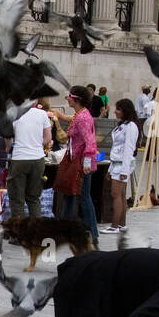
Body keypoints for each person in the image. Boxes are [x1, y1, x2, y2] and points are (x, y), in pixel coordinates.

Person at [53, 86, 99, 247]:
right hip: (75, 159)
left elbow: (90, 141)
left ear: (76, 99)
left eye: (69, 97)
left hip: (81, 162)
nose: (67, 99)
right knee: (69, 195)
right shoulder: (80, 115)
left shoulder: (83, 118)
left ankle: (93, 233)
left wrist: (86, 163)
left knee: (83, 197)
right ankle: (65, 231)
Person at [6, 102, 52, 219]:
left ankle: (19, 233)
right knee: (34, 198)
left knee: (17, 199)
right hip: (38, 159)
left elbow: (8, 137)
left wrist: (8, 148)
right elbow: (48, 138)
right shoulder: (42, 114)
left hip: (19, 159)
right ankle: (35, 233)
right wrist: (35, 144)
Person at [106, 99, 137, 232]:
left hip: (122, 165)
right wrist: (109, 169)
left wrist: (125, 170)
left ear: (125, 111)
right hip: (116, 163)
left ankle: (114, 225)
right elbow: (116, 148)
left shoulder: (131, 126)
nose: (115, 111)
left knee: (116, 194)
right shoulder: (123, 125)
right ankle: (122, 224)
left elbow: (129, 149)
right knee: (121, 195)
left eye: (118, 109)